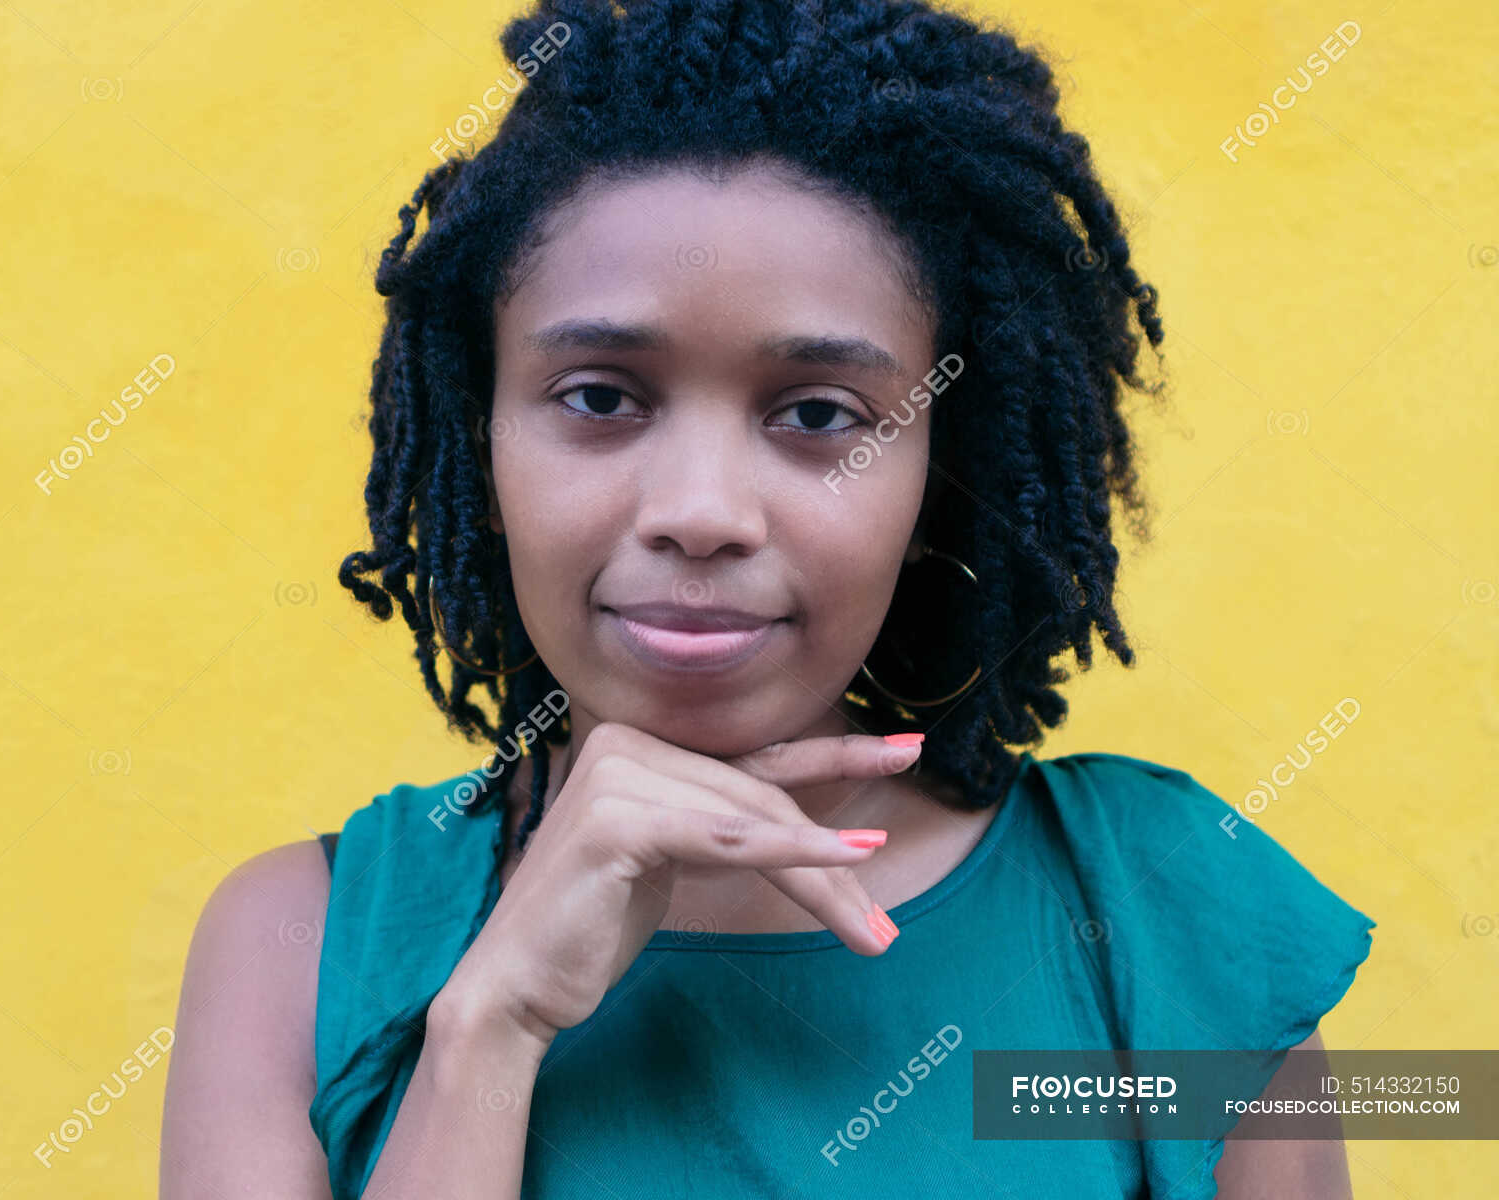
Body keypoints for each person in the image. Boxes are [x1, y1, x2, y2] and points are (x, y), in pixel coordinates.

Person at [159, 1, 1376, 1196]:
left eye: (817, 417)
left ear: (934, 478)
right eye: (599, 397)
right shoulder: (299, 946)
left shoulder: (1169, 918)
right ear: (482, 445)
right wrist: (494, 1024)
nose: (702, 509)